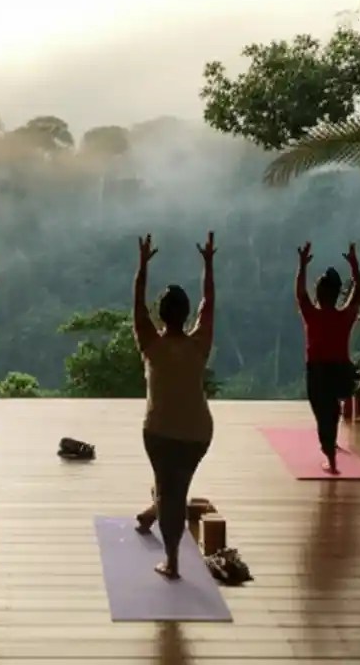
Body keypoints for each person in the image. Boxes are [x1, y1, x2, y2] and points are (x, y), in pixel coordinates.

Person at [133, 232, 216, 580]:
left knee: (172, 490)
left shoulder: (151, 344)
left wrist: (142, 265)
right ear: (184, 315)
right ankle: (155, 510)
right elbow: (208, 305)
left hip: (161, 432)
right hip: (197, 432)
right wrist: (208, 264)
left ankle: (172, 561)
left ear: (161, 314)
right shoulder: (199, 344)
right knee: (173, 484)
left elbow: (136, 305)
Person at [295, 242, 360, 474]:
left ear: (319, 295)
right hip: (340, 372)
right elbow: (358, 293)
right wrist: (354, 266)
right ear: (335, 295)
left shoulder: (312, 315)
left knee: (324, 414)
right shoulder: (343, 317)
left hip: (318, 372)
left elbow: (300, 294)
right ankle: (331, 444)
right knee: (330, 412)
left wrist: (302, 265)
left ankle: (331, 459)